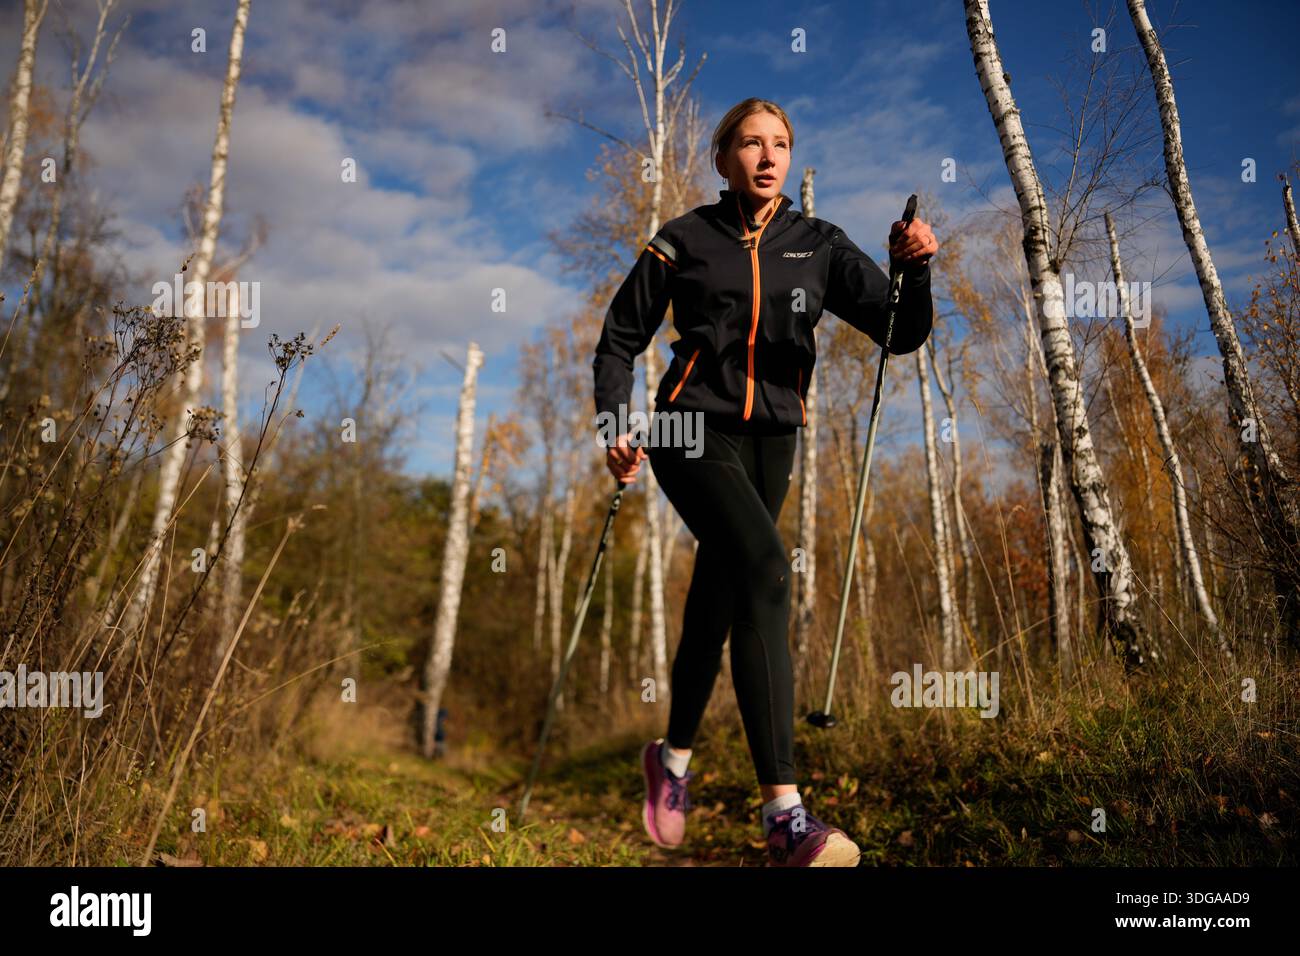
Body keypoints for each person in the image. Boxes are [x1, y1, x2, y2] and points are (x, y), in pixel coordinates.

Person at [591, 97, 937, 866]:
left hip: (774, 439)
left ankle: (670, 760)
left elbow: (900, 332)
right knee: (767, 570)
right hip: (687, 427)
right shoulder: (683, 240)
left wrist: (918, 270)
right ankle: (785, 814)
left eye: (780, 143)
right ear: (723, 159)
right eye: (750, 142)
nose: (768, 155)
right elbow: (617, 341)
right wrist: (615, 426)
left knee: (723, 596)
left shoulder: (818, 243)